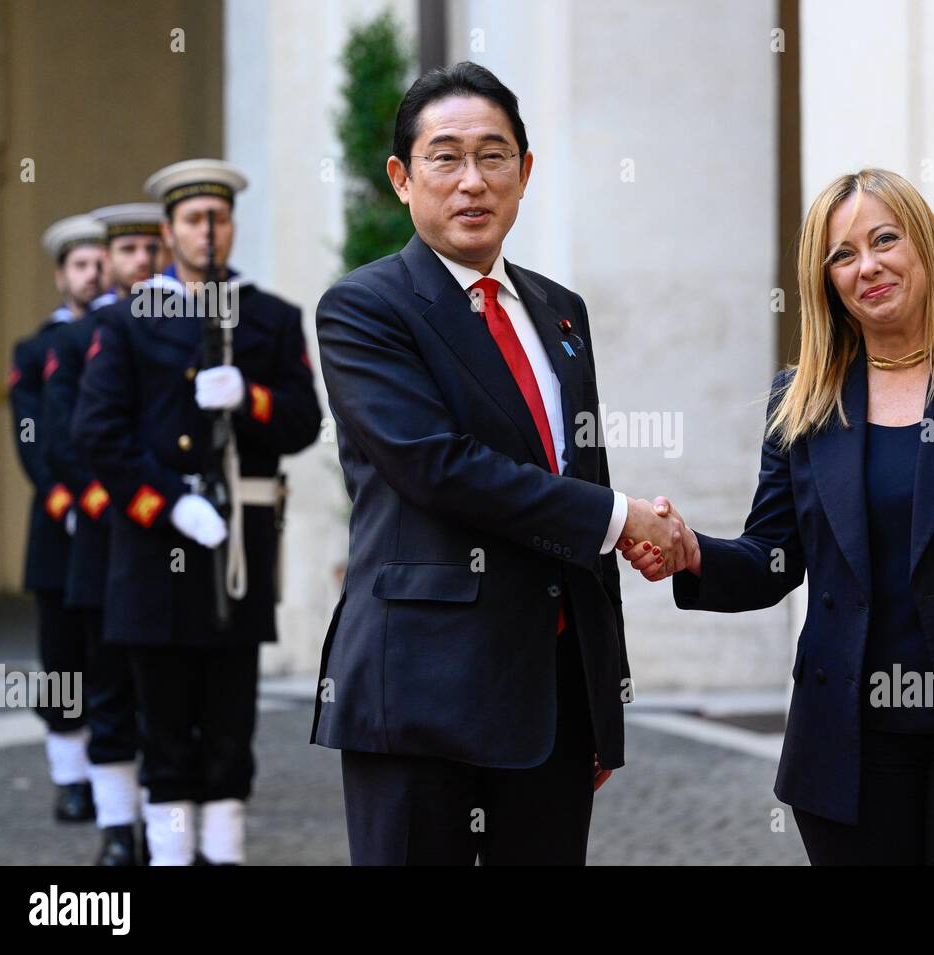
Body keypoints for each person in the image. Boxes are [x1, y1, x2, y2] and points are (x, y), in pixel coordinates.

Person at [622, 168, 934, 865]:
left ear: (925, 247)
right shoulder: (801, 400)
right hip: (848, 739)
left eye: (885, 239)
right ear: (825, 281)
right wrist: (690, 550)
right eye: (842, 254)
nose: (868, 266)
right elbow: (774, 558)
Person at [310, 62, 686, 865]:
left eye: (495, 155)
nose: (472, 181)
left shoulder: (560, 312)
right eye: (445, 157)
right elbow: (437, 468)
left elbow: (577, 475)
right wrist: (621, 520)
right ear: (402, 179)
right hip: (419, 690)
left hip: (551, 695)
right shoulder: (365, 308)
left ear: (525, 172)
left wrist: (600, 693)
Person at [74, 161, 322, 864]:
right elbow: (99, 432)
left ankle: (224, 852)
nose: (208, 231)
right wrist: (169, 505)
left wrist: (251, 397)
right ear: (168, 231)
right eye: (193, 220)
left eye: (219, 217)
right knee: (163, 718)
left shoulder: (269, 316)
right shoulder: (127, 321)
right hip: (158, 546)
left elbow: (304, 419)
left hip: (237, 543)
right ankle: (172, 852)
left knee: (228, 716)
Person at [42, 203, 167, 864]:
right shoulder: (72, 341)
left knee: (170, 695)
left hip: (171, 544)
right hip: (106, 538)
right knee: (111, 687)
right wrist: (125, 503)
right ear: (109, 259)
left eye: (152, 250)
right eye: (129, 252)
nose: (141, 263)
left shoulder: (185, 334)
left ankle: (172, 828)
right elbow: (64, 441)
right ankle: (119, 827)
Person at [8, 214, 106, 823]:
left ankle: (117, 767)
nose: (92, 273)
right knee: (63, 655)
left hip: (121, 520)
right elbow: (33, 439)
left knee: (115, 651)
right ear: (60, 275)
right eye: (80, 264)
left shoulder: (124, 334)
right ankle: (70, 774)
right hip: (60, 524)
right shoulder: (37, 349)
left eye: (100, 262)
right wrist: (67, 500)